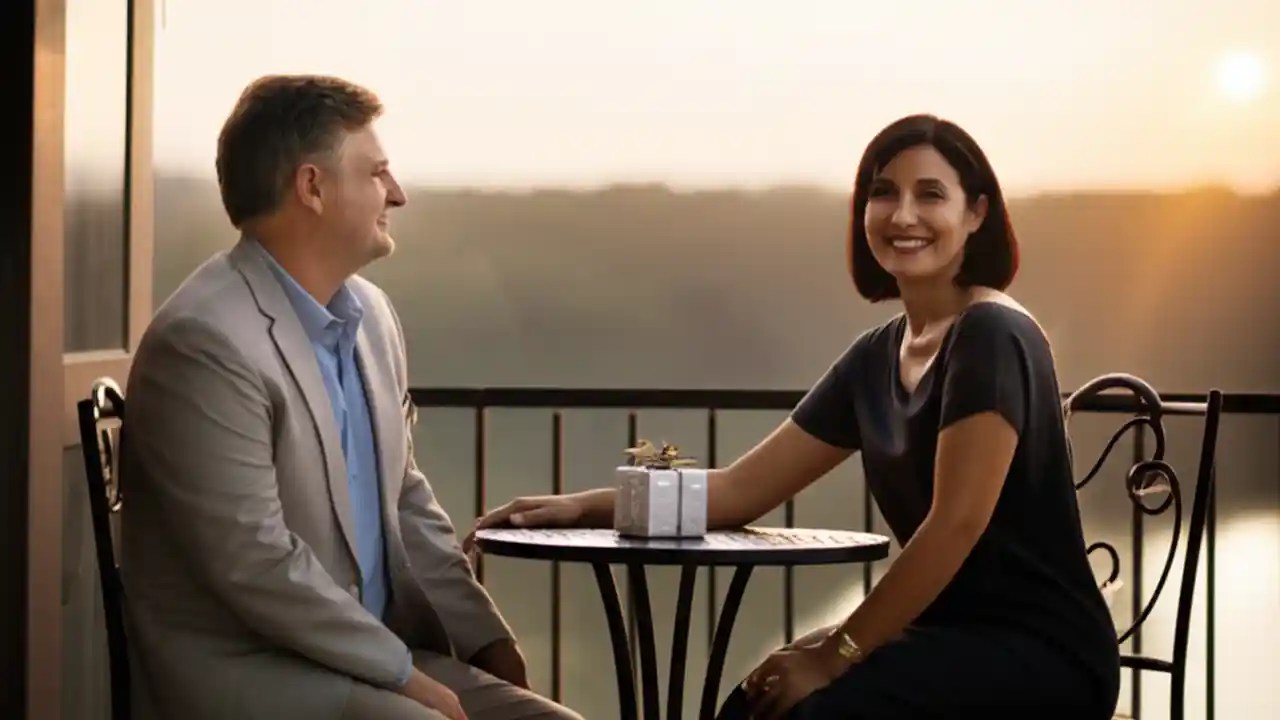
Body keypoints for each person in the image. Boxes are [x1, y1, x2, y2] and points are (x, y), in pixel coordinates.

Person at [469, 114, 1121, 718]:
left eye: (930, 195)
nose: (903, 215)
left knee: (809, 710)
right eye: (883, 193)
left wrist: (835, 654)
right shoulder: (876, 357)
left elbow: (956, 524)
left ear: (976, 212)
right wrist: (580, 506)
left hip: (1040, 652)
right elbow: (737, 491)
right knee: (753, 703)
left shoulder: (991, 335)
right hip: (943, 633)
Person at [122, 74, 582, 720]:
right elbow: (255, 561)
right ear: (312, 187)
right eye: (377, 172)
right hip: (257, 672)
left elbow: (406, 500)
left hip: (376, 658)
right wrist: (401, 674)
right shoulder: (205, 342)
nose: (397, 193)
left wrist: (488, 641)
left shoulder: (373, 317)